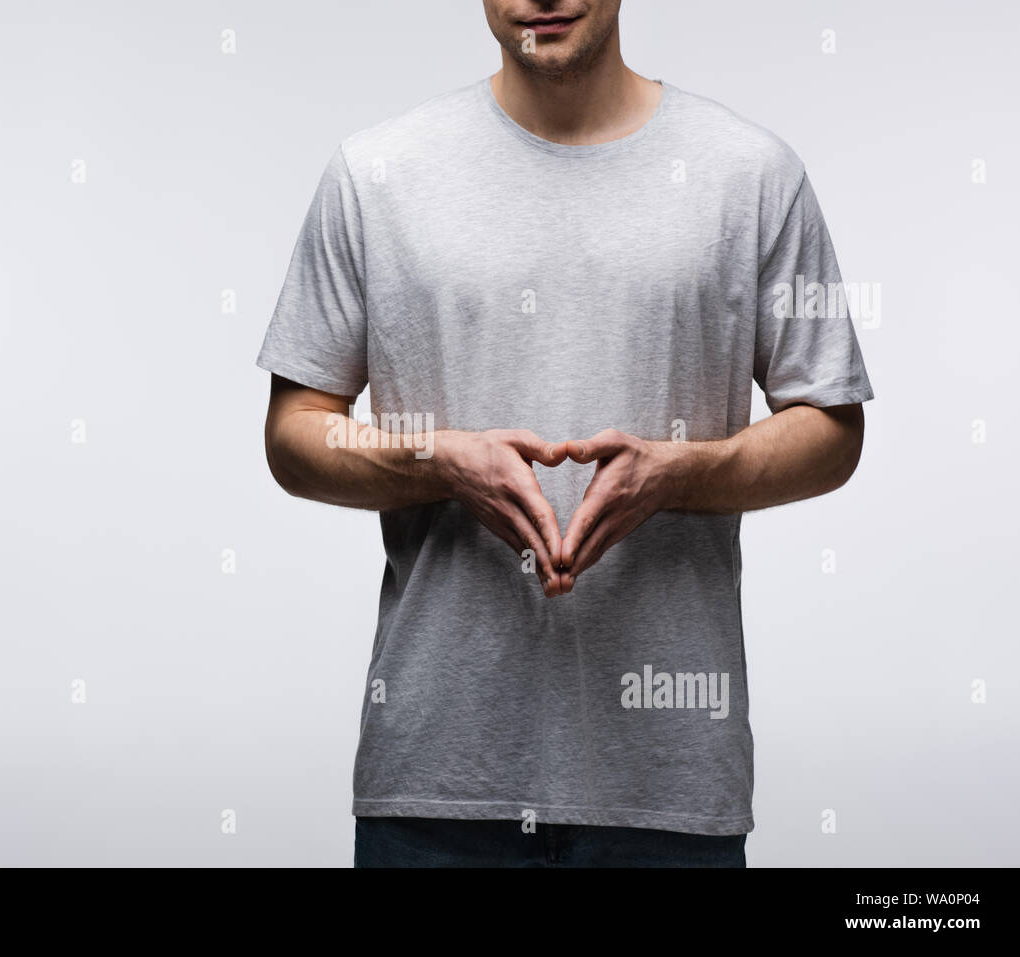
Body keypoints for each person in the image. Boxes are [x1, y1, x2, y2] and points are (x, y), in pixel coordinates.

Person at [256, 0, 873, 867]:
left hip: (667, 789)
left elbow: (830, 426)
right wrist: (436, 457)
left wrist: (681, 473)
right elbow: (295, 432)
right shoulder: (377, 172)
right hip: (437, 784)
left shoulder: (752, 172)